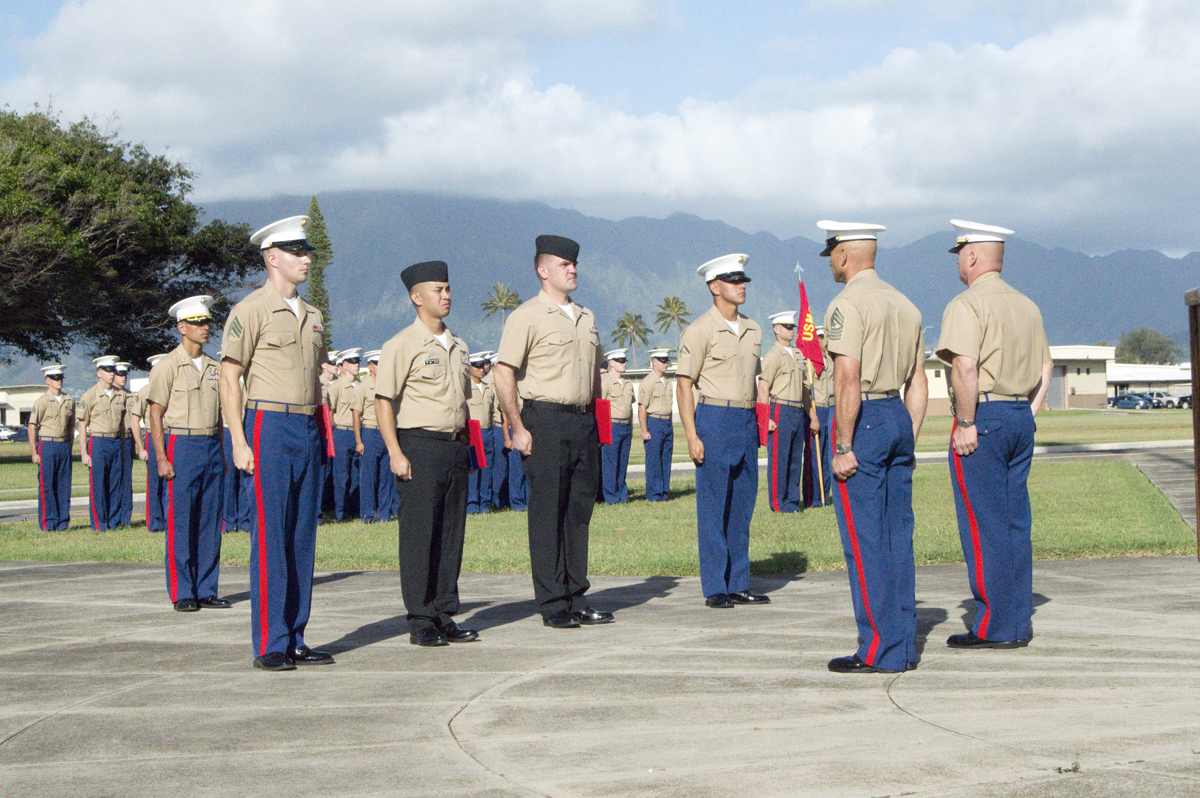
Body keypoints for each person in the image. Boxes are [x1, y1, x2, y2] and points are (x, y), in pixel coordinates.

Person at [220, 214, 335, 671]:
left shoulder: (313, 314)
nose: (305, 259)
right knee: (270, 534)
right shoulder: (250, 310)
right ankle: (271, 640)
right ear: (272, 258)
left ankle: (297, 635)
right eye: (296, 252)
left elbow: (318, 377)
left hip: (306, 426)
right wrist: (238, 440)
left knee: (302, 535)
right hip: (268, 424)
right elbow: (230, 378)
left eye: (306, 251)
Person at [935, 220, 1053, 649]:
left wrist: (967, 422)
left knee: (984, 524)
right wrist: (1027, 412)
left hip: (984, 416)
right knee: (1014, 523)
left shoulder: (966, 304)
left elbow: (965, 366)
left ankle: (994, 625)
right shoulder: (1027, 304)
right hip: (1020, 414)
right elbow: (1046, 367)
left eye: (959, 257)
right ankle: (1015, 620)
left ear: (970, 256)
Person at [818, 220, 928, 674]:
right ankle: (901, 645)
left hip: (861, 419)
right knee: (896, 537)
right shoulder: (906, 304)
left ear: (843, 255)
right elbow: (918, 381)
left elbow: (847, 377)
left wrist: (843, 444)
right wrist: (908, 435)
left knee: (865, 541)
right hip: (898, 414)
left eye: (832, 255)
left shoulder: (846, 304)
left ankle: (878, 649)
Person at [493, 234, 614, 628]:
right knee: (547, 513)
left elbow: (596, 376)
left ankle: (576, 595)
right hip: (544, 419)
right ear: (543, 271)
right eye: (564, 264)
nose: (572, 269)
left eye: (574, 264)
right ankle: (552, 602)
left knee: (579, 512)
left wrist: (599, 425)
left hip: (582, 422)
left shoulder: (587, 317)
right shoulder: (526, 316)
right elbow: (503, 372)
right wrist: (517, 426)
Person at [375, 260, 479, 647]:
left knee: (451, 534)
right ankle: (420, 617)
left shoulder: (460, 346)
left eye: (448, 288)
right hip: (418, 446)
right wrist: (395, 452)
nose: (446, 295)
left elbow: (463, 402)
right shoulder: (401, 345)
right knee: (420, 535)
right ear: (417, 298)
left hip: (453, 446)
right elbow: (384, 401)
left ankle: (443, 612)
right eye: (438, 289)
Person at [676, 254, 769, 609]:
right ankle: (715, 585)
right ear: (715, 287)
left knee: (743, 505)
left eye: (743, 280)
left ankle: (738, 582)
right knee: (714, 506)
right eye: (733, 281)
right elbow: (684, 385)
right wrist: (692, 434)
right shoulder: (699, 330)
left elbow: (756, 380)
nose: (741, 286)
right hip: (713, 418)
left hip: (744, 421)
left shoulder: (754, 329)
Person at [147, 296, 230, 612]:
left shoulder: (213, 367)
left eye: (207, 322)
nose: (205, 327)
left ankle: (207, 588)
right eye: (198, 323)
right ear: (182, 327)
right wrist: (161, 457)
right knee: (181, 521)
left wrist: (221, 452)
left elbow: (220, 413)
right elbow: (156, 414)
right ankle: (183, 591)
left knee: (210, 521)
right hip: (181, 444)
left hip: (210, 444)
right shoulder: (168, 365)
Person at [759, 311, 815, 513]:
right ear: (776, 330)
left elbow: (805, 388)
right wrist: (767, 418)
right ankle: (777, 502)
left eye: (792, 327)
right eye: (787, 327)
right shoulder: (773, 355)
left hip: (797, 409)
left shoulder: (799, 355)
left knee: (794, 459)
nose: (791, 330)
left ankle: (792, 501)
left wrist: (812, 415)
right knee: (779, 459)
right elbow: (763, 387)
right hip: (780, 408)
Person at [78, 355, 128, 531]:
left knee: (115, 483)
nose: (111, 374)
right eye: (107, 370)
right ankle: (100, 523)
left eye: (113, 370)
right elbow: (82, 425)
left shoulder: (120, 394)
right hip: (98, 441)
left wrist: (122, 446)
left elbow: (122, 424)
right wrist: (84, 452)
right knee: (98, 484)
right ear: (99, 373)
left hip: (115, 441)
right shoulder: (90, 395)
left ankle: (113, 522)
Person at [28, 364, 75, 531]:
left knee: (64, 485)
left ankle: (63, 522)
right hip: (47, 444)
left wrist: (69, 444)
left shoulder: (69, 400)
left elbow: (71, 425)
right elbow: (32, 426)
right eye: (55, 378)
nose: (59, 381)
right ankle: (49, 522)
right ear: (47, 380)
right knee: (47, 485)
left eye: (61, 378)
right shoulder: (41, 402)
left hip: (63, 445)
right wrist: (34, 452)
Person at [131, 354, 169, 532]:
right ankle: (155, 521)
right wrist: (140, 447)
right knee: (155, 482)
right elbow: (134, 420)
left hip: (170, 434)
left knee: (171, 480)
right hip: (153, 436)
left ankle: (169, 519)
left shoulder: (172, 387)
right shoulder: (145, 391)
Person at [328, 348, 363, 520]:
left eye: (358, 362)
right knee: (341, 475)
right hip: (341, 432)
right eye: (352, 362)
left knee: (356, 475)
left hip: (357, 433)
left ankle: (353, 509)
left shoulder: (360, 385)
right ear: (344, 366)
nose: (356, 365)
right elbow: (330, 413)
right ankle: (340, 512)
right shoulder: (336, 387)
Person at [357, 349, 392, 523]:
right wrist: (359, 440)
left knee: (386, 475)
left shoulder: (387, 385)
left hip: (385, 431)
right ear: (370, 366)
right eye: (377, 363)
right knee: (369, 476)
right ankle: (368, 514)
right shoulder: (363, 387)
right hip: (370, 430)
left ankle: (384, 513)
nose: (381, 367)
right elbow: (356, 414)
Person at [599, 348, 635, 503]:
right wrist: (602, 433)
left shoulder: (627, 383)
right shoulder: (605, 381)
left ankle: (621, 494)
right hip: (611, 425)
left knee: (622, 462)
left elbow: (630, 407)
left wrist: (631, 428)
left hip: (626, 426)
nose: (623, 364)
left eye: (624, 361)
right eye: (620, 361)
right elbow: (600, 407)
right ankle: (611, 496)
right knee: (610, 463)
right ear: (611, 363)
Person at [638, 348, 674, 502]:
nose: (665, 364)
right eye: (662, 360)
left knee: (666, 458)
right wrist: (644, 430)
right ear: (653, 362)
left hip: (667, 422)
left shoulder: (667, 382)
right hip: (654, 421)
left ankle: (664, 492)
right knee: (654, 460)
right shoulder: (648, 382)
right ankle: (654, 493)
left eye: (666, 360)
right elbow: (642, 408)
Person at [807, 327, 834, 508]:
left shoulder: (832, 361)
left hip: (831, 408)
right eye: (819, 338)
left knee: (829, 456)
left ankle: (826, 494)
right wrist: (812, 416)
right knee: (814, 457)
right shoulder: (808, 362)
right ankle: (815, 497)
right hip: (816, 410)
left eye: (824, 337)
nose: (822, 341)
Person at [466, 351, 495, 514]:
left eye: (481, 366)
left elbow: (492, 411)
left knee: (487, 468)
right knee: (473, 469)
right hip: (473, 430)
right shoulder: (466, 387)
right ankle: (472, 502)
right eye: (476, 366)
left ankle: (484, 502)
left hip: (487, 430)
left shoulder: (487, 386)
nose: (480, 370)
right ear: (470, 367)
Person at [114, 362, 142, 526]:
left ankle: (125, 517)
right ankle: (113, 516)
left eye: (125, 374)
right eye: (119, 374)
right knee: (113, 479)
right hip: (114, 438)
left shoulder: (132, 396)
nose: (123, 377)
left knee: (126, 480)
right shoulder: (111, 395)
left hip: (127, 439)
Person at [483, 353, 509, 509]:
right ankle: (496, 501)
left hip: (505, 425)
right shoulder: (489, 381)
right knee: (498, 467)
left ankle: (504, 500)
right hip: (498, 426)